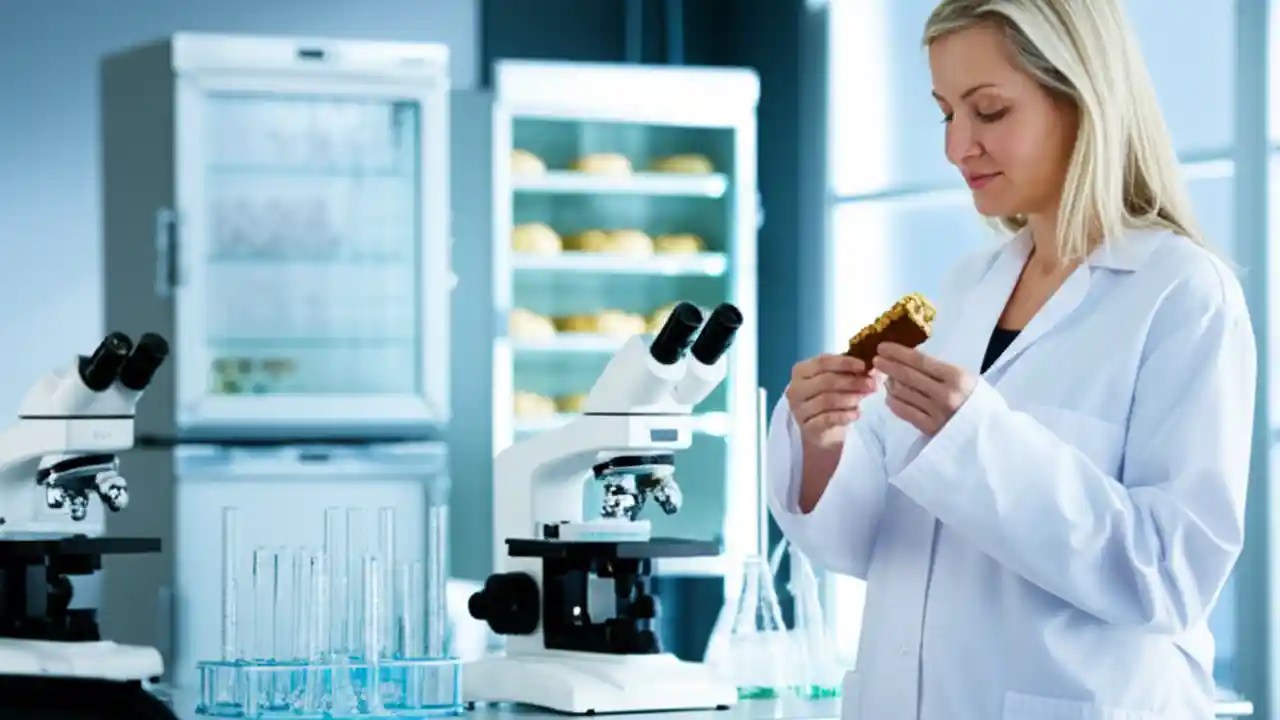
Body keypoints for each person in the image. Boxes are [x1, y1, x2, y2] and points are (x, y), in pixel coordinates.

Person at [767, 1, 1258, 718]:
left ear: (1084, 100)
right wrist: (824, 442)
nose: (956, 147)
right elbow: (868, 544)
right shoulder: (969, 287)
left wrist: (977, 438)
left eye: (989, 111)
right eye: (945, 114)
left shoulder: (1182, 294)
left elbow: (1170, 575)